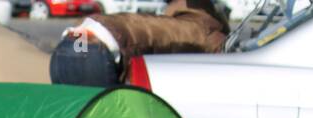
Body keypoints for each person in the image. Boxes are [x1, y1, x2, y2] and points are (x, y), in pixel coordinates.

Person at [49, 0, 230, 88]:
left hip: (74, 39)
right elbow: (223, 56)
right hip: (94, 53)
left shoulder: (169, 23)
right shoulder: (208, 33)